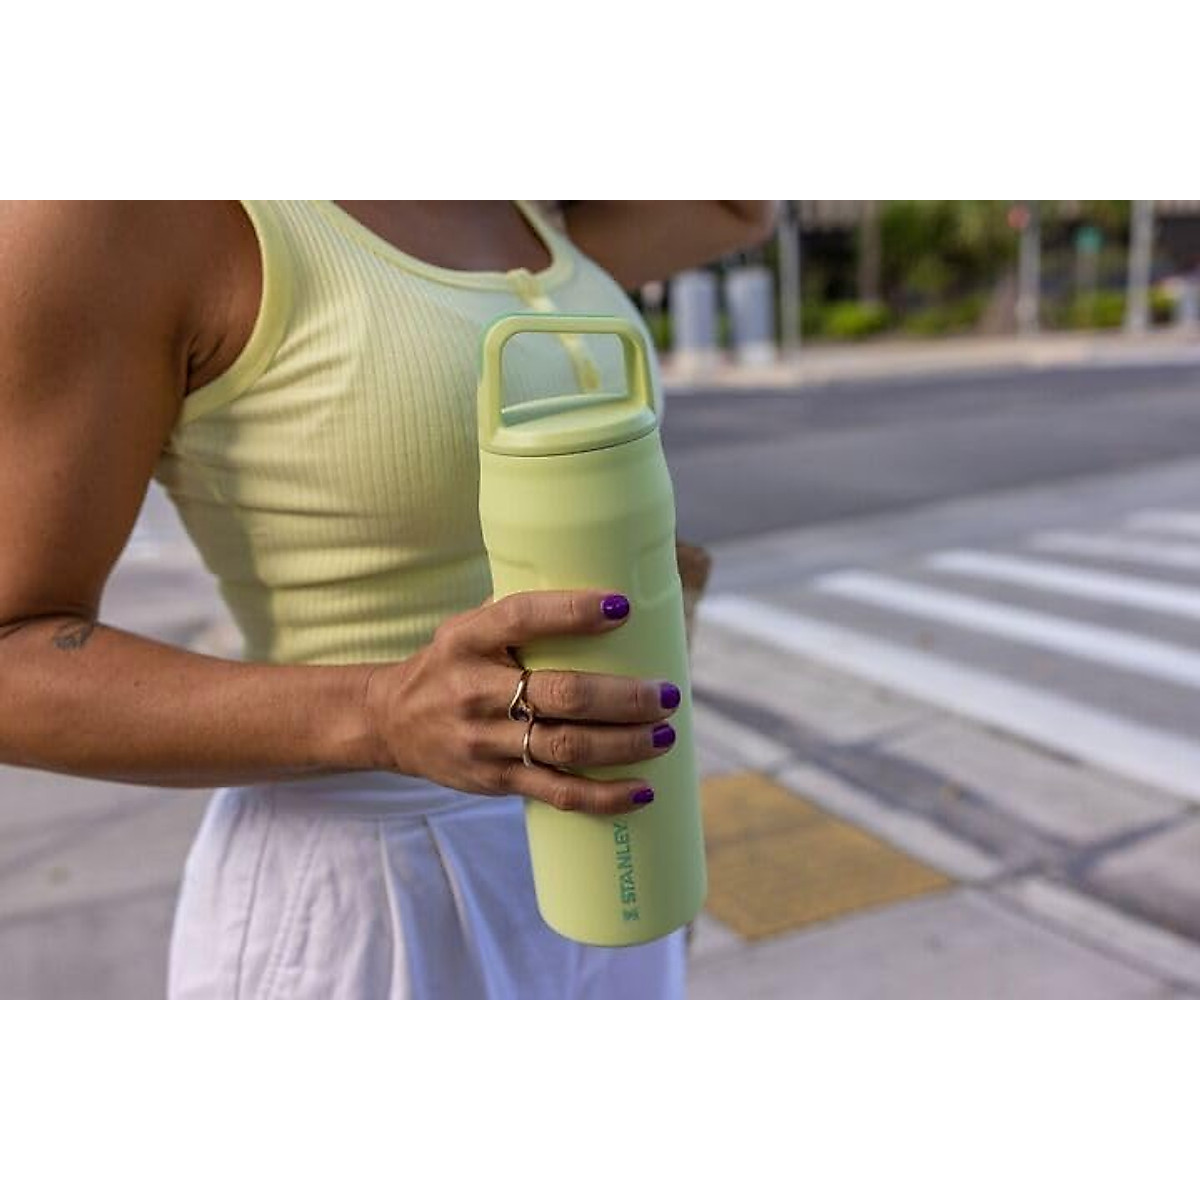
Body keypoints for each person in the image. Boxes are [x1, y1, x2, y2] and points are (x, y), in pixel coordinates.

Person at [0, 200, 777, 999]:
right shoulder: (121, 214)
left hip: (617, 850)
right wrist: (380, 711)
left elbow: (738, 208)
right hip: (372, 894)